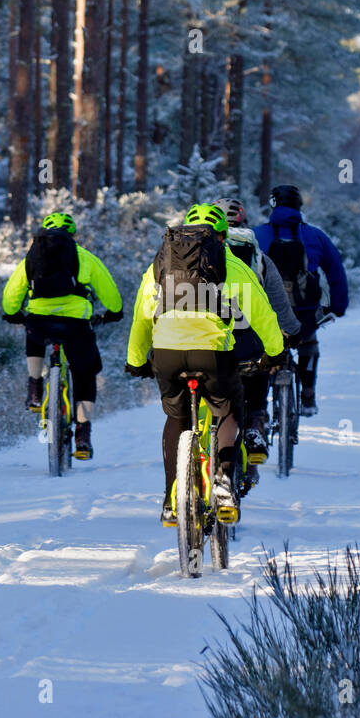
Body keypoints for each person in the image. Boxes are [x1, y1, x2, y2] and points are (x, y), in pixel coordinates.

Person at [124, 203, 284, 526]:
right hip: (211, 354)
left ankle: (171, 499)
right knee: (229, 408)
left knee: (176, 417)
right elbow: (262, 313)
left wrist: (136, 360)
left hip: (167, 352)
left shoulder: (161, 263)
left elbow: (142, 314)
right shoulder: (229, 263)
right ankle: (223, 481)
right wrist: (274, 353)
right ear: (222, 236)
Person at [1, 212, 123, 460]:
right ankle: (82, 434)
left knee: (32, 332)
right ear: (72, 235)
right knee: (85, 372)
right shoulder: (84, 257)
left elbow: (12, 292)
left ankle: (35, 387)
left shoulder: (32, 257)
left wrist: (12, 313)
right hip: (75, 326)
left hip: (40, 323)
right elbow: (109, 291)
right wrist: (114, 312)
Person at [213, 197, 301, 462]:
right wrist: (291, 332)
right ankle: (255, 423)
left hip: (200, 337)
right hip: (244, 336)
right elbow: (276, 301)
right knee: (260, 363)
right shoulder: (257, 256)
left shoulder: (190, 253)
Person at [253, 185, 348, 417]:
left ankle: (258, 411)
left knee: (259, 352)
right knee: (308, 342)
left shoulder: (256, 234)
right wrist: (338, 306)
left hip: (268, 312)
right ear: (299, 207)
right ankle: (307, 394)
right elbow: (335, 270)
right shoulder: (315, 235)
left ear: (272, 206)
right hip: (304, 312)